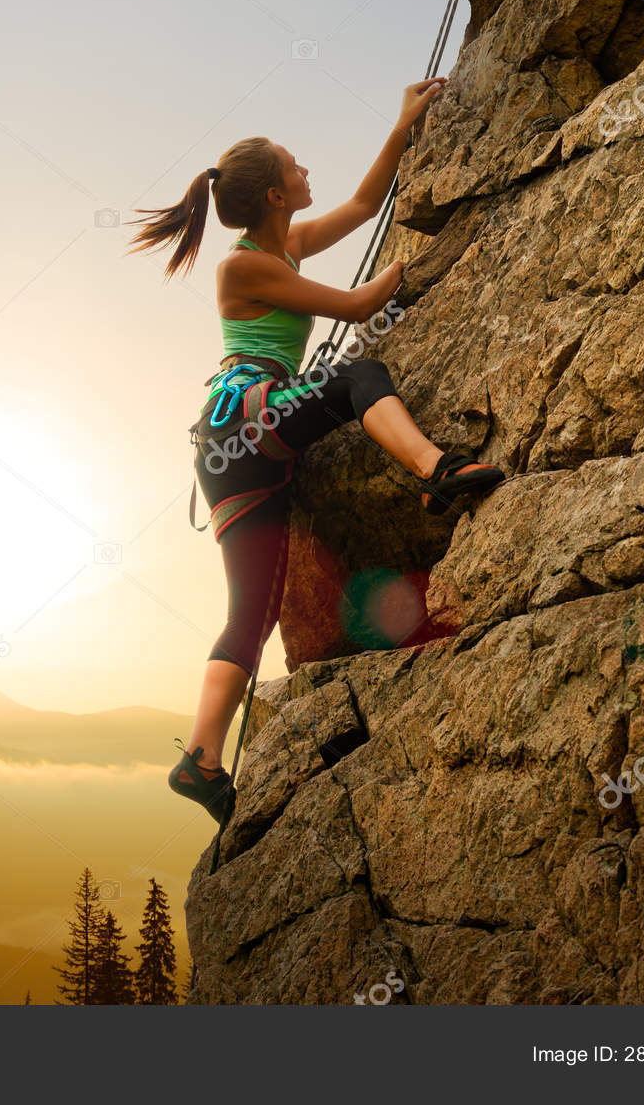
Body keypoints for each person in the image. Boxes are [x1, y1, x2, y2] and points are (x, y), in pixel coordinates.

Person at [128, 77, 505, 824]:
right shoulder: (246, 267)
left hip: (236, 445)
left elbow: (365, 209)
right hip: (246, 417)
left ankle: (201, 760)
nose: (307, 173)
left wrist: (401, 127)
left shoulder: (284, 246)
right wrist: (433, 257)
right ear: (274, 195)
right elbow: (363, 306)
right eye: (296, 167)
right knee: (358, 374)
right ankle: (435, 468)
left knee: (255, 612)